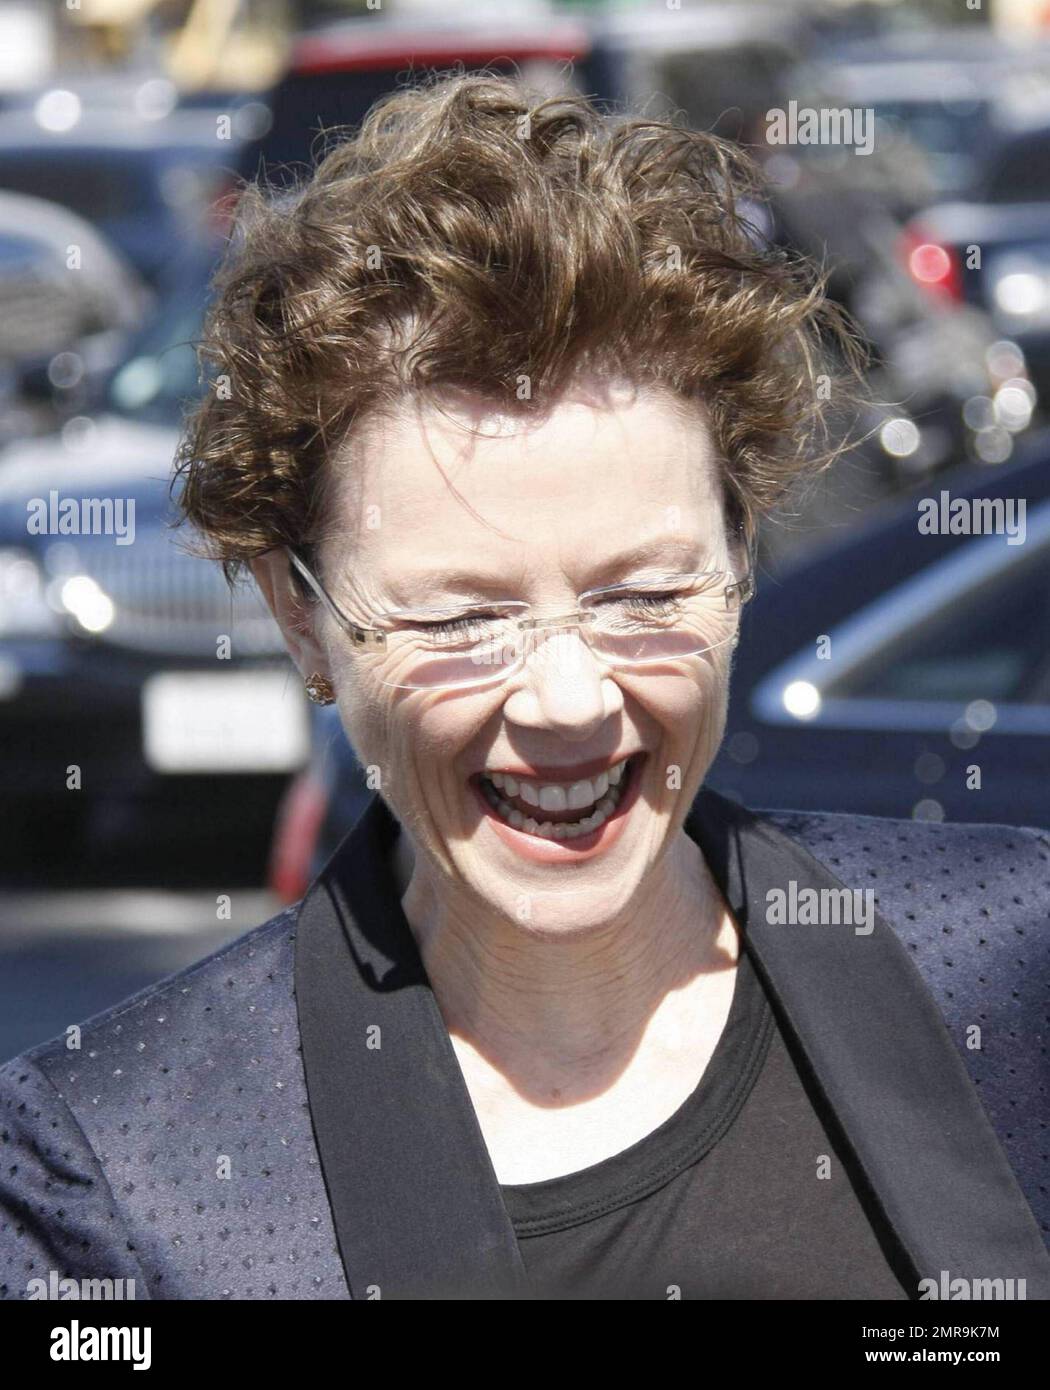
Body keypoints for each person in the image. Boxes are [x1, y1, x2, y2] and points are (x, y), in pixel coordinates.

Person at [1, 72, 1047, 1302]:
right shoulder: (125, 1175)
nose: (567, 700)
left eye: (644, 596)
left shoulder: (1006, 960)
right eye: (463, 615)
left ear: (742, 561)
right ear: (303, 620)